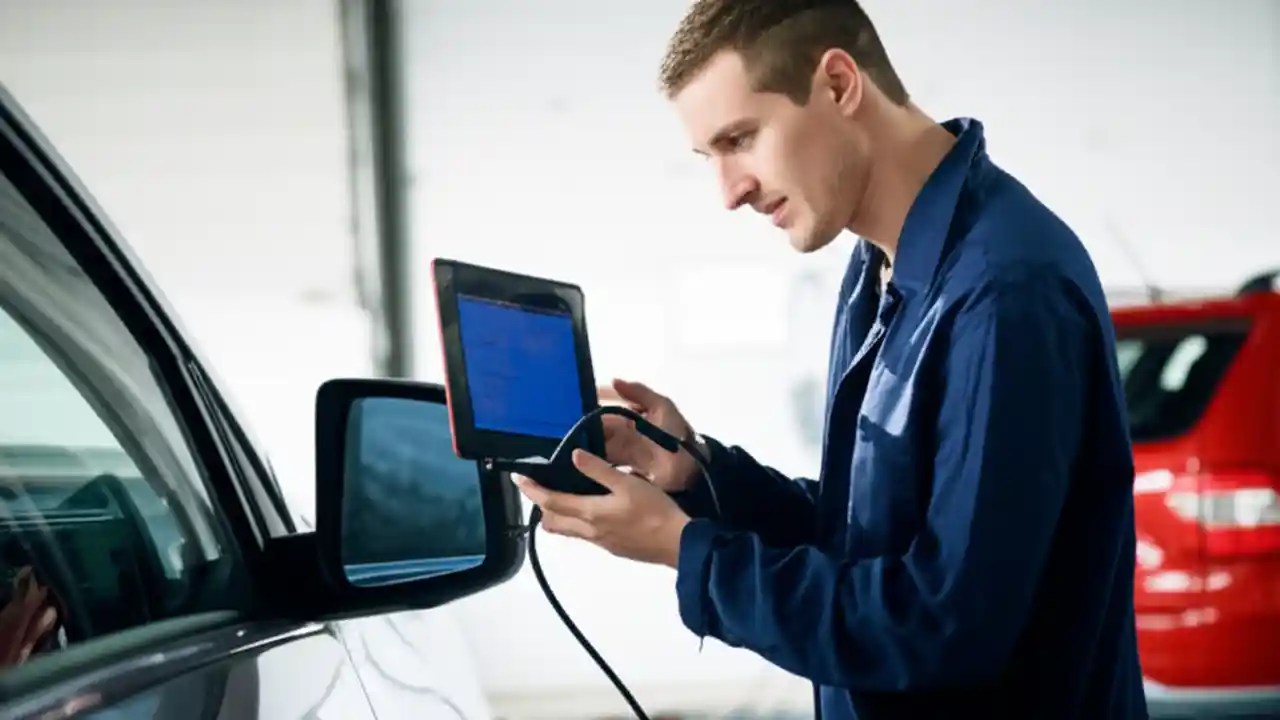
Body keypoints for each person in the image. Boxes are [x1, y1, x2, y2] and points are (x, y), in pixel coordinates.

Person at [513, 1, 1148, 717]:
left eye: (741, 139)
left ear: (840, 84)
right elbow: (864, 540)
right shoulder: (876, 267)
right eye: (711, 157)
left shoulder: (1007, 290)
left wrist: (684, 549)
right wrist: (697, 473)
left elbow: (941, 626)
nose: (729, 193)